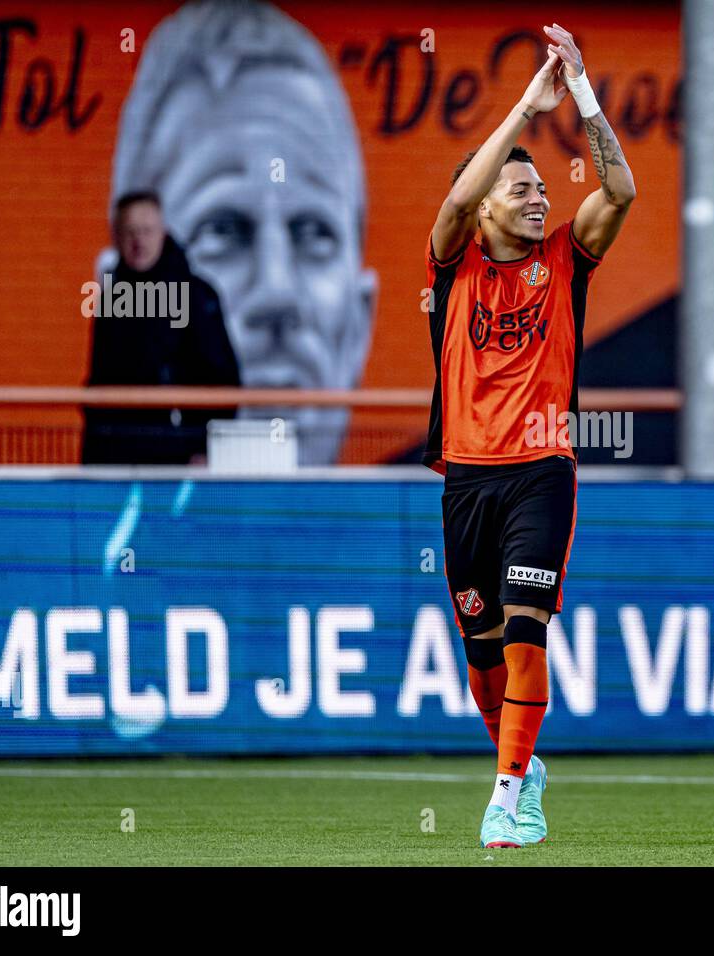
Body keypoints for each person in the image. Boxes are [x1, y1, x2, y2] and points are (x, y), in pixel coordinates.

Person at [424, 24, 636, 848]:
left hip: (542, 470)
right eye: (519, 190)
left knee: (523, 628)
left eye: (542, 187)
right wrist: (523, 106)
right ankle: (520, 764)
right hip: (465, 480)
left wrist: (580, 95)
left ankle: (507, 794)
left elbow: (618, 192)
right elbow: (449, 205)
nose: (537, 197)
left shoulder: (565, 260)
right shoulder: (454, 264)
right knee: (479, 650)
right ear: (483, 208)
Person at [107, 0, 376, 465]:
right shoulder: (124, 300)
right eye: (222, 231)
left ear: (361, 317)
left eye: (314, 233)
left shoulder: (412, 512)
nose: (276, 292)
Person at [83, 191, 241, 464]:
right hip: (118, 454)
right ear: (116, 237)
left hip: (178, 453)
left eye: (146, 231)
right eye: (130, 232)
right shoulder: (110, 300)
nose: (139, 241)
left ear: (162, 233)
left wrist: (203, 447)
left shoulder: (197, 297)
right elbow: (101, 380)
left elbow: (222, 378)